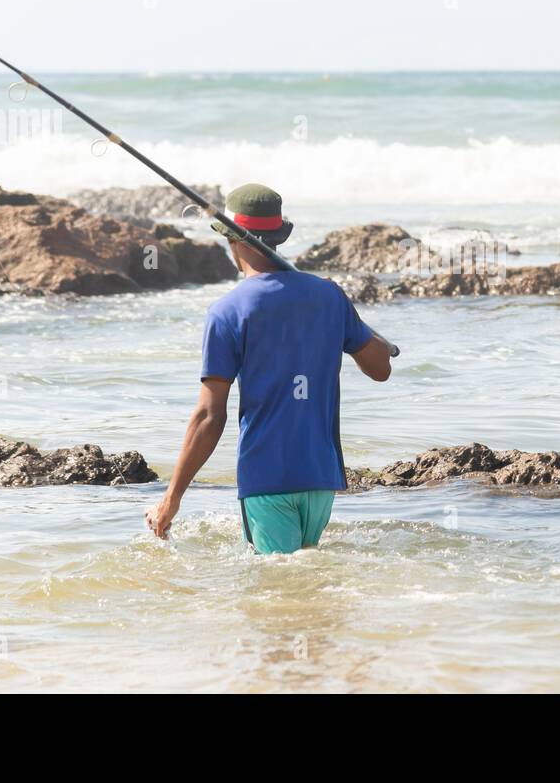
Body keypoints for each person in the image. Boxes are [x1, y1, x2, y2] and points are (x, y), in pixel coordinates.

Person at [145, 183, 392, 554]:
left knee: (280, 595)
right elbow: (380, 369)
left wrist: (171, 498)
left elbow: (209, 416)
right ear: (277, 236)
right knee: (308, 584)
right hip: (321, 478)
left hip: (267, 477)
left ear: (231, 239)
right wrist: (364, 332)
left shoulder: (227, 312)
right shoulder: (329, 295)